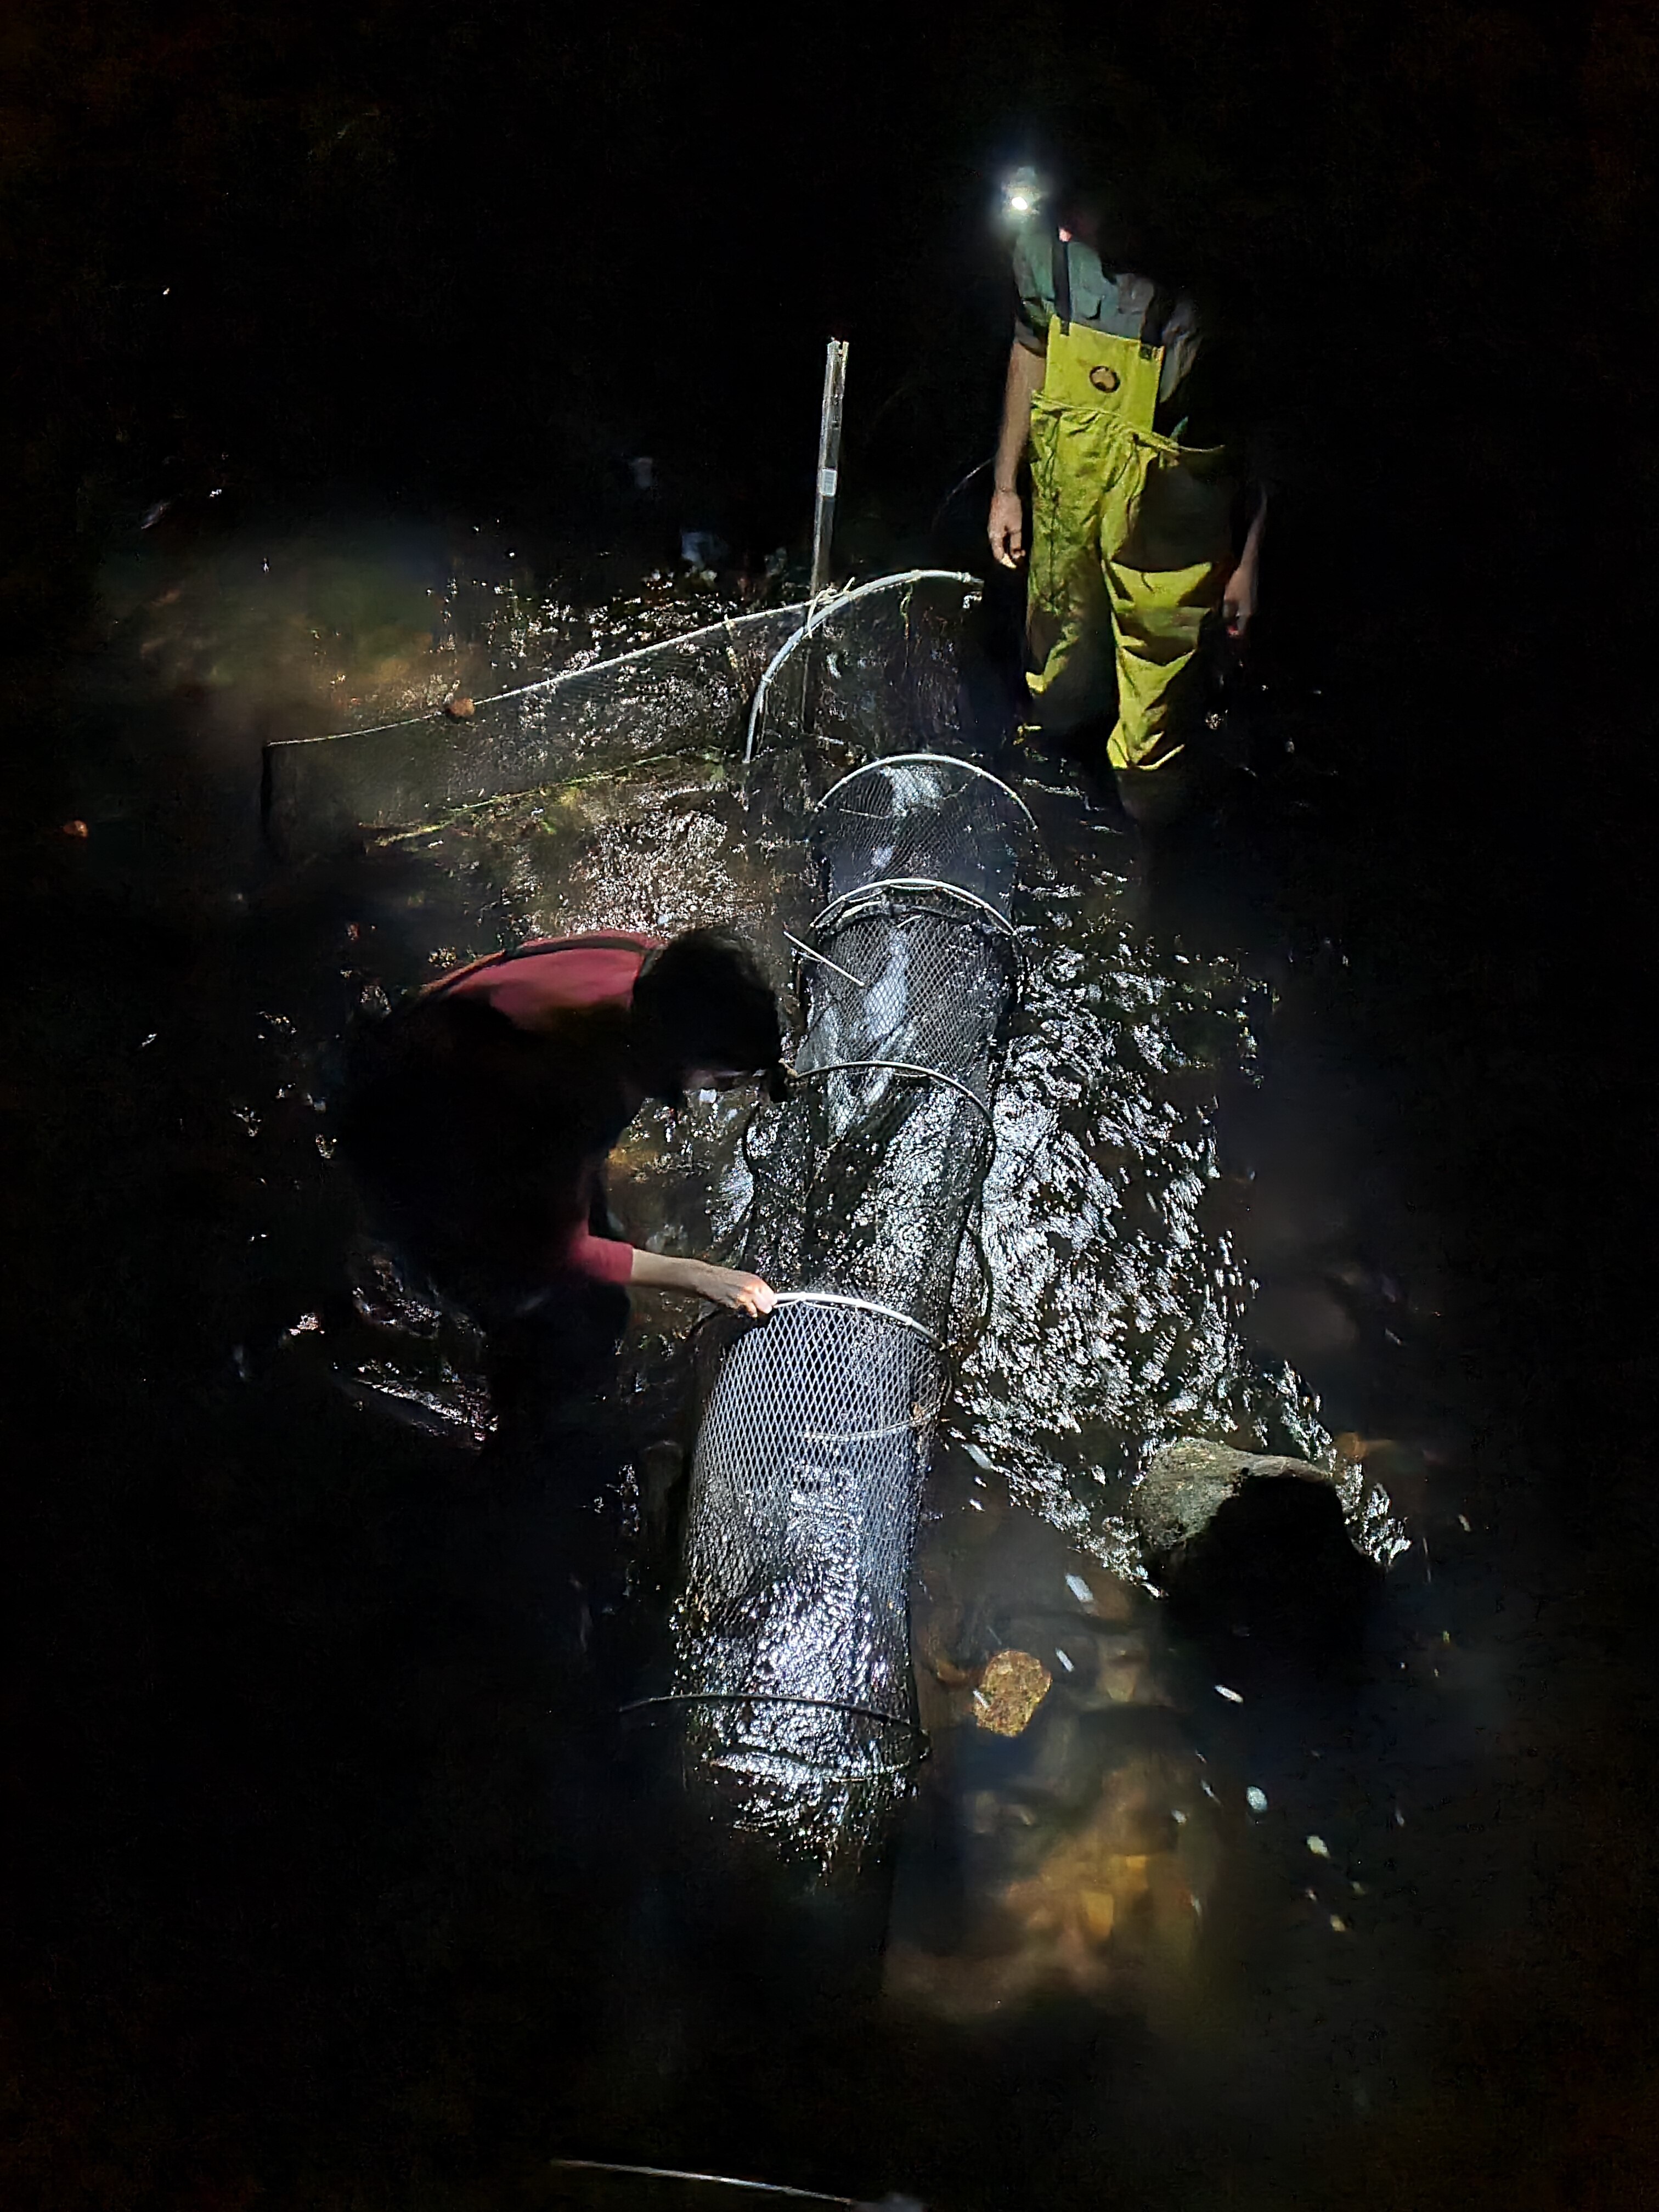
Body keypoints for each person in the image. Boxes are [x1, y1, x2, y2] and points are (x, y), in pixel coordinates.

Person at [337, 926, 782, 1414]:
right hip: (401, 1135)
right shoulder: (586, 1083)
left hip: (404, 1041)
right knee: (564, 1315)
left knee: (596, 1248)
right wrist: (698, 1275)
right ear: (678, 1054)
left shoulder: (644, 962)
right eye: (721, 1081)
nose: (717, 1091)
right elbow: (554, 1253)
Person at [988, 165, 1265, 822]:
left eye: (1078, 213)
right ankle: (1047, 812)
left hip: (1168, 525)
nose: (1061, 229)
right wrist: (1006, 487)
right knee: (1056, 679)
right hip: (1067, 502)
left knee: (1153, 730)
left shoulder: (1206, 277)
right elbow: (1030, 347)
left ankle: (1150, 862)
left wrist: (1251, 559)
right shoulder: (1040, 244)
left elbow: (1259, 431)